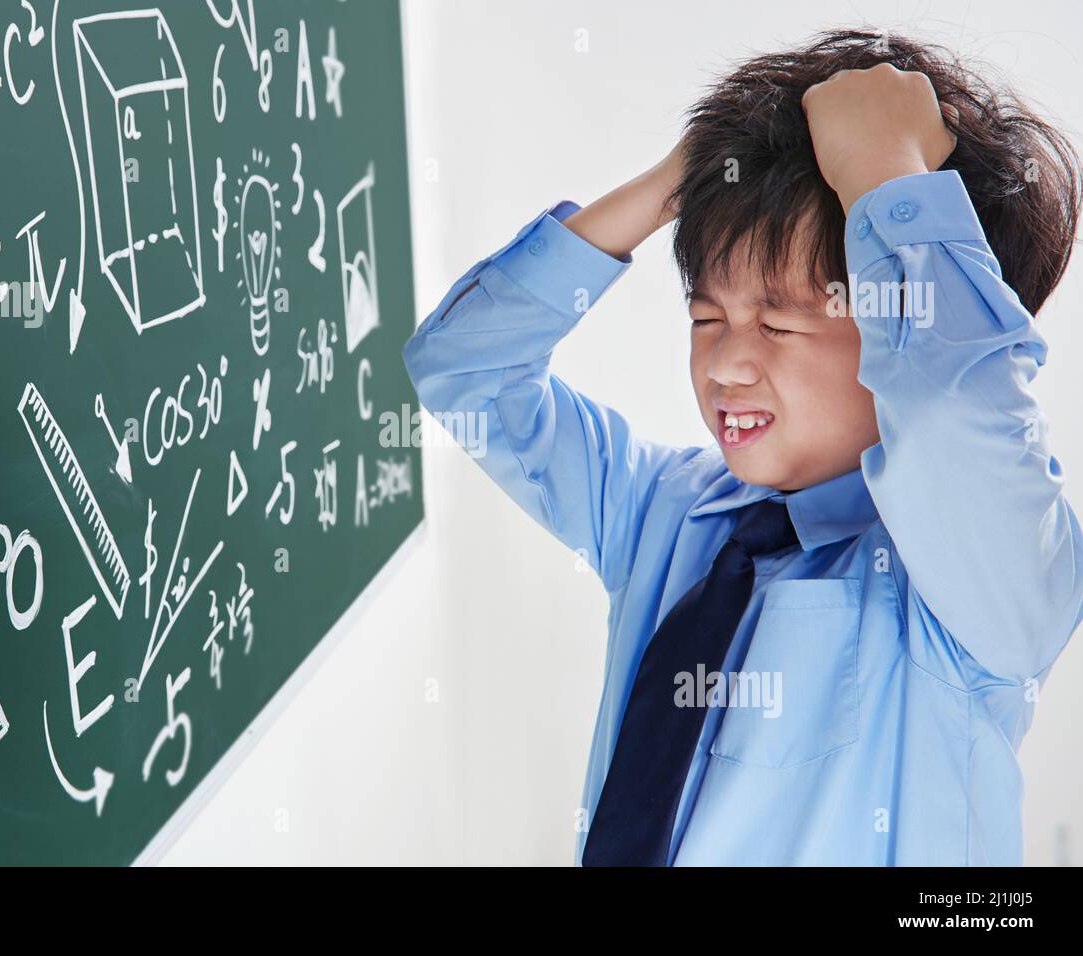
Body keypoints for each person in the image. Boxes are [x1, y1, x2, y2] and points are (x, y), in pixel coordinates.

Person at [402, 29, 1083, 865]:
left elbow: (953, 402)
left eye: (781, 321)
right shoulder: (668, 511)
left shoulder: (972, 592)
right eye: (705, 317)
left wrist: (887, 170)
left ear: (890, 323)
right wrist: (671, 185)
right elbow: (462, 369)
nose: (725, 362)